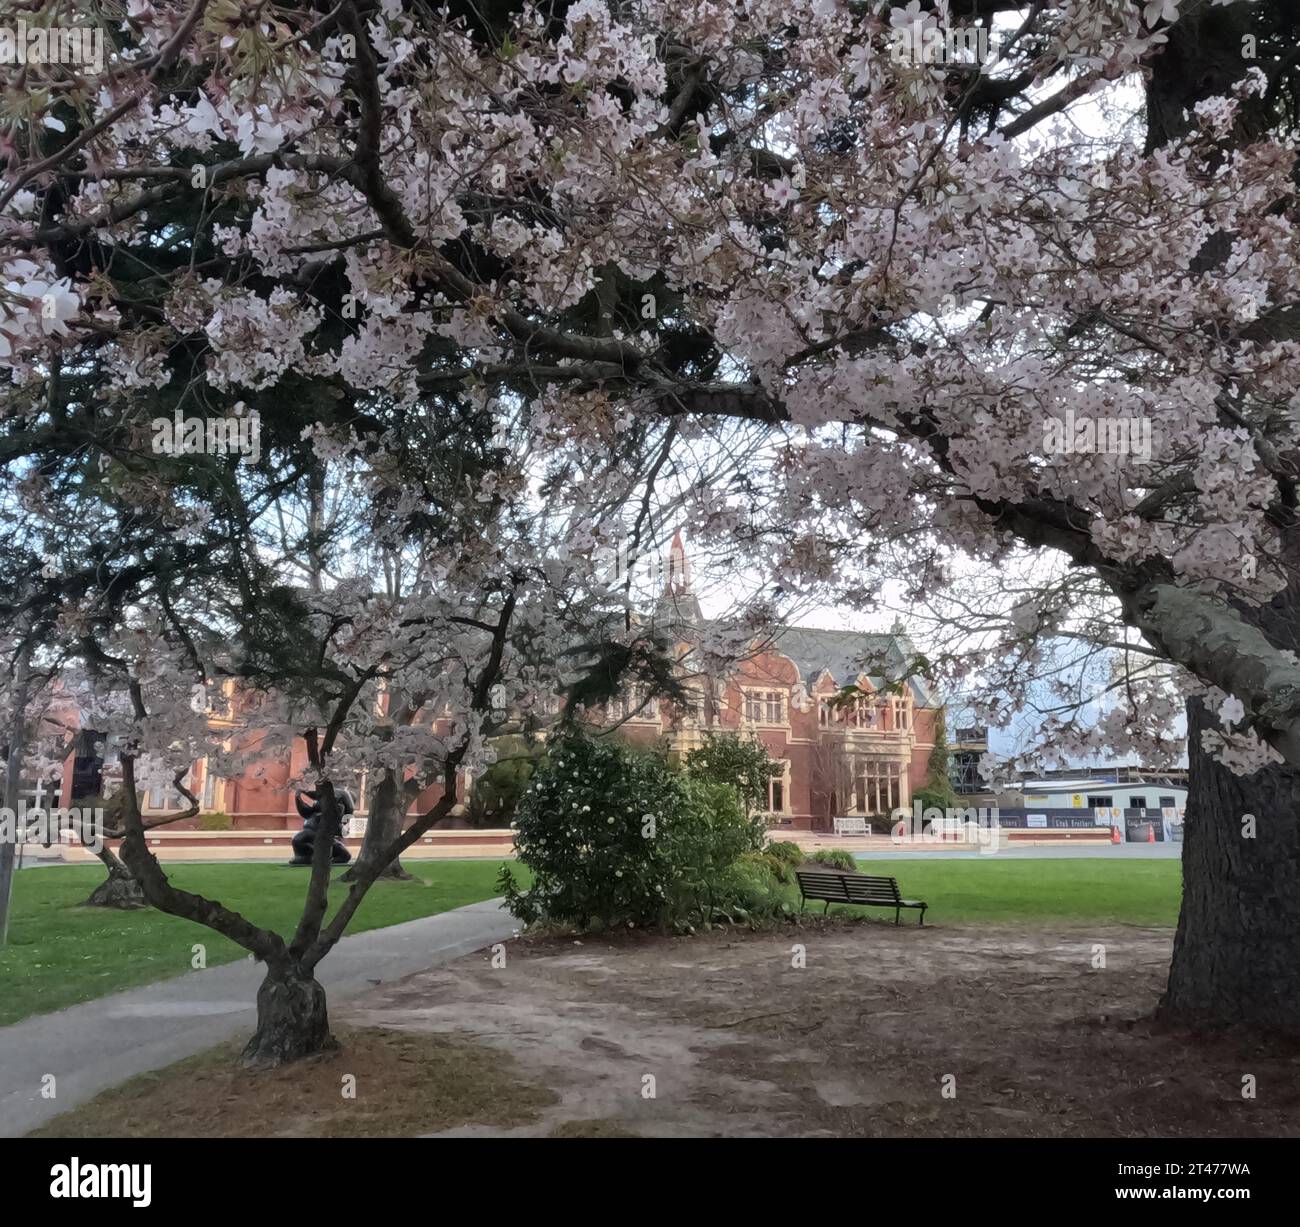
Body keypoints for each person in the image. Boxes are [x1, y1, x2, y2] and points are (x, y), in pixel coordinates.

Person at [288, 788, 354, 866]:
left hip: (320, 831)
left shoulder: (339, 803)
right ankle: (305, 857)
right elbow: (305, 812)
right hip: (312, 830)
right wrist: (298, 799)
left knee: (300, 840)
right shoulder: (317, 806)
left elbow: (349, 809)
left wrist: (344, 823)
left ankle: (341, 855)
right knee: (298, 840)